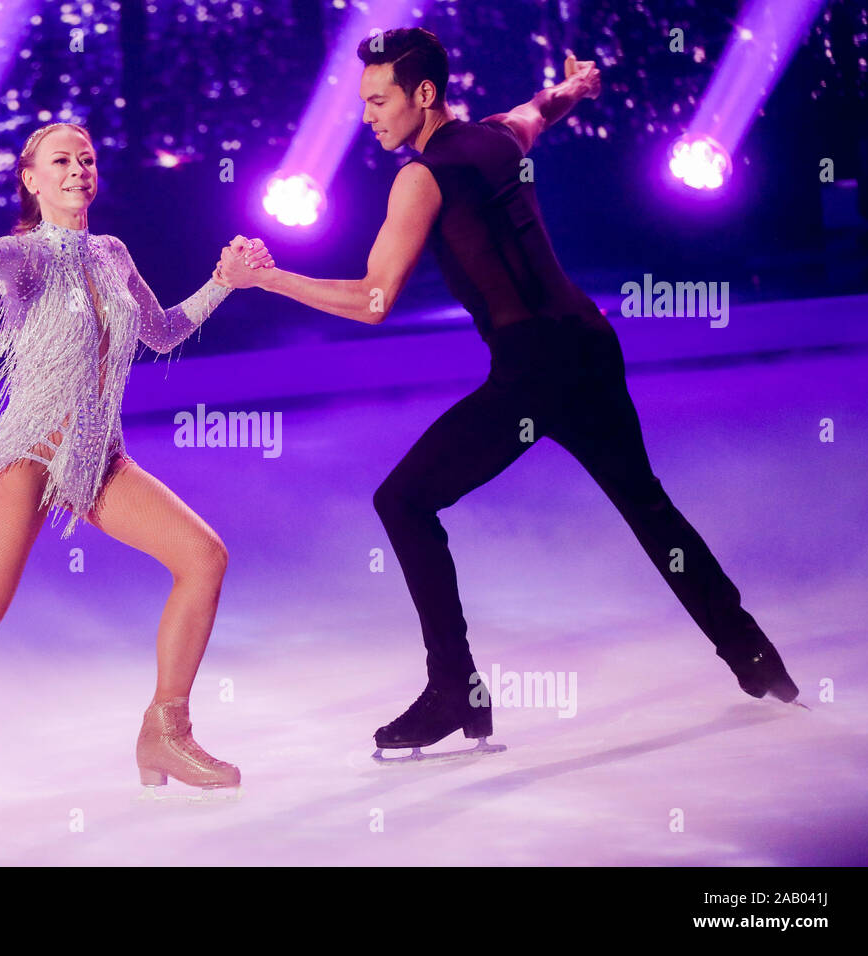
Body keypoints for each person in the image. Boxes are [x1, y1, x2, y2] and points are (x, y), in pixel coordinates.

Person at [215, 28, 798, 761]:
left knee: (403, 501)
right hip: (589, 345)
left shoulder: (419, 178)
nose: (367, 115)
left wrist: (265, 279)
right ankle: (758, 663)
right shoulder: (496, 139)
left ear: (421, 95)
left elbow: (372, 300)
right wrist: (575, 88)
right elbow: (537, 111)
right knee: (649, 505)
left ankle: (455, 692)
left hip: (533, 371)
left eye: (378, 99)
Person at [0, 122, 275, 836]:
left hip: (102, 460)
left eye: (87, 159)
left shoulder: (112, 252)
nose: (78, 170)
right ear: (30, 178)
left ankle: (165, 731)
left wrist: (223, 283)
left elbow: (160, 332)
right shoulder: (26, 256)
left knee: (204, 558)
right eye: (61, 160)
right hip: (30, 454)